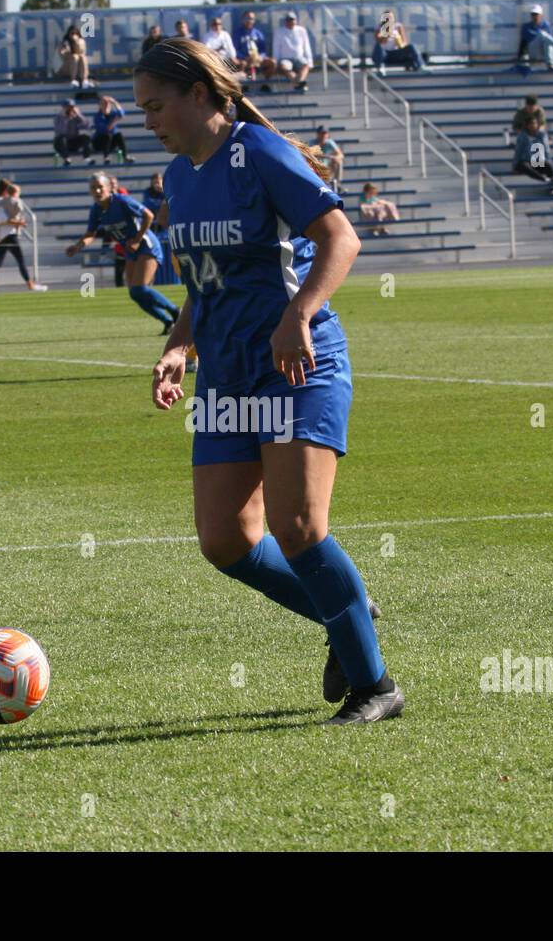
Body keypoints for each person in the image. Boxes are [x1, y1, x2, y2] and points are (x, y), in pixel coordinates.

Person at [134, 38, 401, 724]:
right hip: (226, 377)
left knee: (299, 528)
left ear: (199, 94)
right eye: (142, 110)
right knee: (225, 539)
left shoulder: (261, 153)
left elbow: (342, 238)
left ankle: (376, 687)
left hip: (296, 365)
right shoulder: (179, 177)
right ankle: (343, 611)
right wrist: (179, 343)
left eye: (157, 105)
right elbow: (205, 280)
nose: (149, 120)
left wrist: (300, 315)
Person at [67, 171, 179, 332]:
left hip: (146, 245)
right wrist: (78, 246)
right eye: (93, 188)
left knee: (140, 288)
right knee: (134, 293)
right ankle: (168, 322)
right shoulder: (96, 210)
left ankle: (176, 311)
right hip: (130, 250)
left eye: (100, 187)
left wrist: (137, 239)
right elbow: (91, 233)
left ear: (108, 188)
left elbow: (148, 215)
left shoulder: (122, 201)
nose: (97, 191)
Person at [0, 179, 45, 294]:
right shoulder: (0, 201)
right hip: (8, 234)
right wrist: (19, 223)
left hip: (3, 235)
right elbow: (1, 220)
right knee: (20, 260)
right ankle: (30, 285)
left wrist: (17, 221)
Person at [513, 114, 553, 191]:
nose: (532, 125)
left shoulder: (542, 135)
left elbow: (546, 150)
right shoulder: (522, 136)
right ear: (526, 125)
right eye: (530, 123)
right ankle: (543, 179)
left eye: (534, 123)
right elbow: (518, 151)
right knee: (523, 166)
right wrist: (514, 165)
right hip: (526, 160)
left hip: (537, 161)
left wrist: (547, 162)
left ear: (537, 124)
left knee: (548, 167)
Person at [234, 11, 276, 91]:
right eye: (247, 18)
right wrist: (244, 57)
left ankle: (265, 84)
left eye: (251, 19)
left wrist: (261, 56)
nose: (249, 20)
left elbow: (263, 50)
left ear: (254, 21)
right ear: (243, 20)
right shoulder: (237, 33)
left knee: (272, 62)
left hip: (257, 59)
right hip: (245, 60)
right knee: (244, 64)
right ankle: (245, 86)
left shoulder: (258, 33)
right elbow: (234, 50)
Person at [273, 12, 313, 93]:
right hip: (285, 59)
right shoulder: (279, 32)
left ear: (296, 20)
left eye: (292, 19)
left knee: (306, 65)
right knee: (284, 66)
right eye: (288, 20)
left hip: (299, 58)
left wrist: (310, 61)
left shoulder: (302, 30)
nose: (290, 21)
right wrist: (276, 62)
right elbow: (276, 48)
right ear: (285, 21)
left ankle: (297, 83)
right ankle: (300, 83)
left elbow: (307, 47)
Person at [93, 96, 133, 164]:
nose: (106, 106)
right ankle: (106, 157)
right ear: (100, 106)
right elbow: (107, 129)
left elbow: (121, 114)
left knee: (119, 135)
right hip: (99, 143)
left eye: (108, 104)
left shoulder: (113, 113)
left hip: (110, 143)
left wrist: (114, 102)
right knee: (108, 135)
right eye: (104, 104)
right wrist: (115, 120)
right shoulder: (97, 117)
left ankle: (125, 156)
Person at [53, 99, 94, 166]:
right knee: (60, 138)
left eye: (71, 107)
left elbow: (87, 126)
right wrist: (65, 118)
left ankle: (87, 158)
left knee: (85, 137)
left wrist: (79, 114)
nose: (70, 109)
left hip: (73, 142)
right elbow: (60, 131)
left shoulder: (76, 117)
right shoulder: (58, 118)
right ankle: (67, 159)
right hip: (62, 144)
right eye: (68, 107)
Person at [518, 5, 553, 71]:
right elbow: (526, 41)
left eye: (536, 14)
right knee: (542, 34)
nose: (534, 16)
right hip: (533, 52)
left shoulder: (546, 25)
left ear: (541, 15)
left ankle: (550, 64)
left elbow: (547, 41)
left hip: (544, 52)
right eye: (533, 14)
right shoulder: (526, 27)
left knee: (548, 42)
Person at [58, 24, 92, 90]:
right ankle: (73, 80)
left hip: (79, 70)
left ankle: (84, 80)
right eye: (72, 33)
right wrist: (65, 50)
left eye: (76, 33)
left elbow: (81, 51)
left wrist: (76, 42)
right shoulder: (65, 43)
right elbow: (62, 53)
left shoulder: (81, 41)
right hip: (67, 69)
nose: (74, 35)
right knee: (74, 57)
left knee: (82, 57)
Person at [313, 125, 345, 192]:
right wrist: (329, 156)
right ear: (318, 134)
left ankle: (337, 184)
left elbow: (341, 155)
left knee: (338, 162)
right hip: (316, 167)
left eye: (325, 133)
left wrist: (336, 157)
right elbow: (312, 155)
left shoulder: (330, 142)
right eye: (322, 133)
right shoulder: (313, 143)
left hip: (327, 167)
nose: (323, 135)